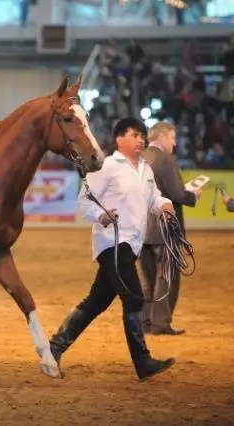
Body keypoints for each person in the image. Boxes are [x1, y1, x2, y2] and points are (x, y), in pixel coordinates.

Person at [49, 117, 176, 381]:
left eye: (142, 135)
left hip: (133, 242)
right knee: (134, 297)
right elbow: (84, 201)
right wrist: (101, 215)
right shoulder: (106, 166)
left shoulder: (145, 169)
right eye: (134, 135)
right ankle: (143, 362)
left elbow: (153, 198)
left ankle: (54, 347)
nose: (140, 140)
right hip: (112, 242)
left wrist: (163, 204)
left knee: (97, 301)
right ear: (119, 138)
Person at [140, 122, 201, 336]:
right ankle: (160, 323)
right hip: (165, 228)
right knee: (167, 276)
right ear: (163, 137)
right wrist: (193, 195)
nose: (174, 143)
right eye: (173, 138)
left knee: (147, 278)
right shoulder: (165, 159)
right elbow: (176, 194)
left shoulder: (141, 156)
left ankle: (145, 321)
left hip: (142, 228)